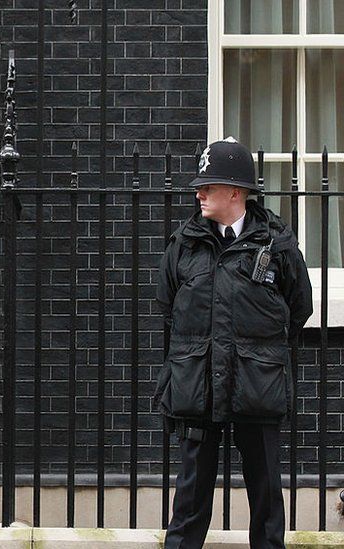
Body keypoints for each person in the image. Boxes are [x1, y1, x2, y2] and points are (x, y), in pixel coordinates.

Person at [155, 138, 313, 549]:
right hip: (199, 381)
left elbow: (299, 308)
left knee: (265, 491)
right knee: (190, 495)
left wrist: (260, 353)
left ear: (235, 192)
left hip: (256, 383)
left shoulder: (276, 244)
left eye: (208, 186)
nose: (199, 193)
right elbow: (167, 306)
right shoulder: (184, 243)